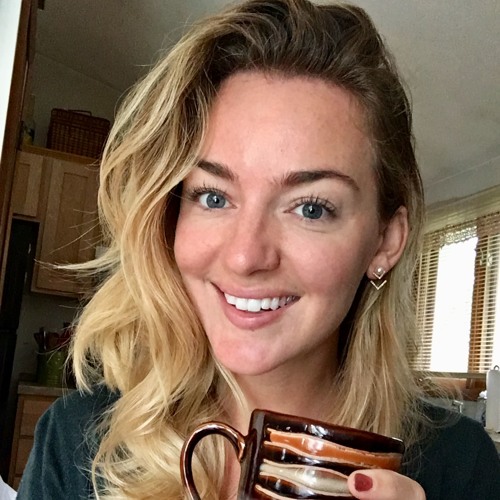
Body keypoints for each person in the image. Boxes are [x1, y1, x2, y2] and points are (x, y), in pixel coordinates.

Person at [17, 0, 500, 499]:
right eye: (213, 196)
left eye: (310, 208)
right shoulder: (74, 442)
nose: (246, 256)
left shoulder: (462, 466)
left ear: (385, 240)